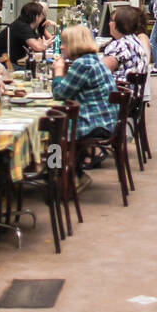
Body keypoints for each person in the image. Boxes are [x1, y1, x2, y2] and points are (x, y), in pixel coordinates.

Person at [51, 26, 119, 190]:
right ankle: (73, 172)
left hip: (96, 122)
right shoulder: (92, 60)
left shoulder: (83, 64)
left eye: (64, 43)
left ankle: (55, 173)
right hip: (105, 118)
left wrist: (58, 72)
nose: (61, 47)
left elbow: (60, 93)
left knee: (52, 131)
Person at [103, 4, 150, 87]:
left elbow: (100, 71)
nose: (109, 23)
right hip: (131, 93)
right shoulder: (137, 42)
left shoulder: (120, 45)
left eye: (111, 20)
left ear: (118, 24)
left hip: (115, 94)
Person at [1, 1, 49, 69]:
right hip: (6, 63)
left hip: (14, 61)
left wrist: (43, 44)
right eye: (41, 16)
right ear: (37, 17)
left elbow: (39, 41)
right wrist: (45, 45)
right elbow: (38, 47)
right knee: (36, 70)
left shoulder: (26, 25)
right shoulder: (22, 27)